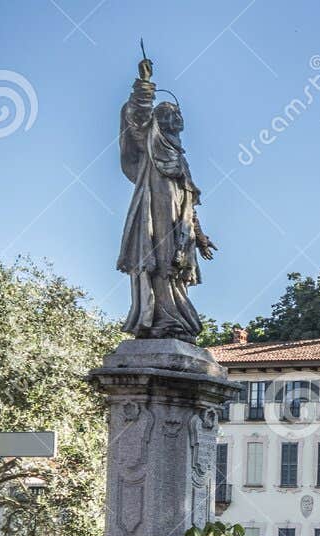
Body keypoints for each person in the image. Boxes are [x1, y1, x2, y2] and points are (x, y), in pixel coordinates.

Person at [116, 52, 216, 340]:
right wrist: (144, 86)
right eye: (171, 115)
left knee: (173, 266)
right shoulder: (150, 142)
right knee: (156, 262)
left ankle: (174, 318)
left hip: (177, 225)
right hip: (154, 212)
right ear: (161, 121)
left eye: (177, 115)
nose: (177, 119)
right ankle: (159, 319)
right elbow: (137, 118)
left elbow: (190, 205)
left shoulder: (180, 161)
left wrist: (200, 236)